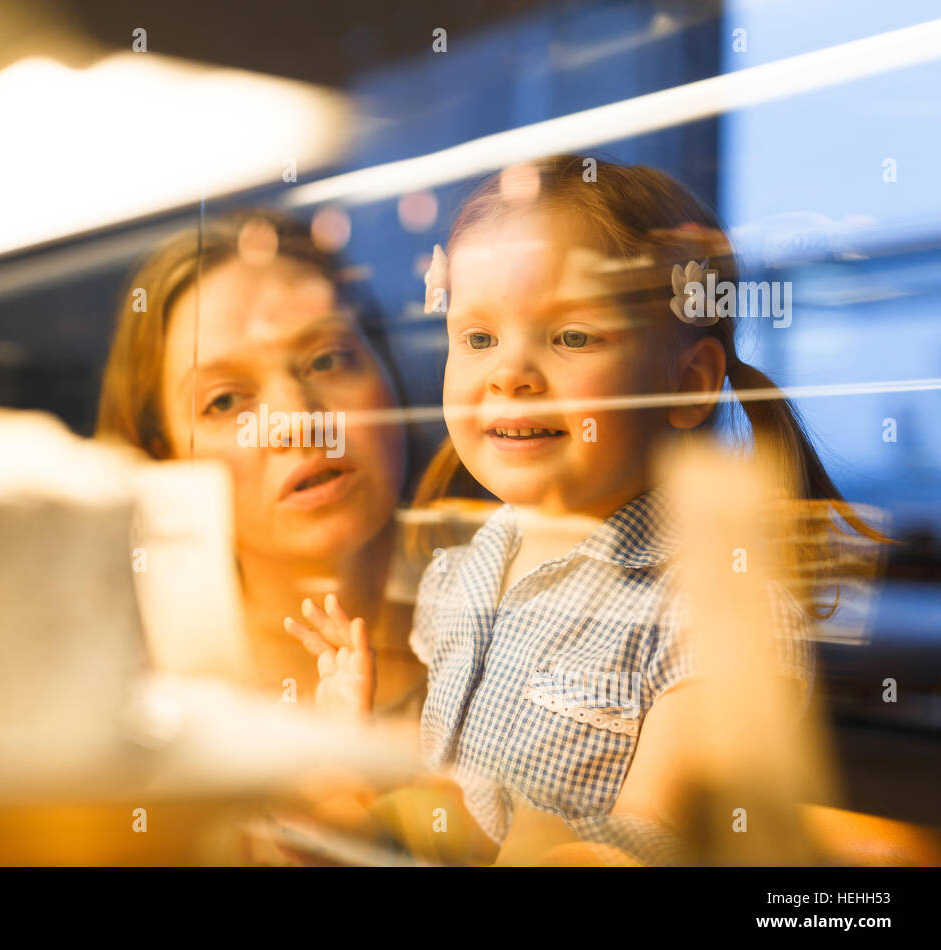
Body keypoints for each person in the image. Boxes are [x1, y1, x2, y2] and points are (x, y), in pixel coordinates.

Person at [285, 155, 893, 863]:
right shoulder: (459, 575)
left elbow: (649, 845)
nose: (508, 374)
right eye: (478, 338)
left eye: (572, 336)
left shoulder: (716, 611)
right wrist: (357, 758)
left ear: (688, 382)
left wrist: (423, 820)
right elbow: (448, 797)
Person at [97, 211, 427, 711]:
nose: (296, 420)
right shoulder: (147, 700)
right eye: (225, 401)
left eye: (327, 360)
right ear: (164, 459)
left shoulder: (521, 617)